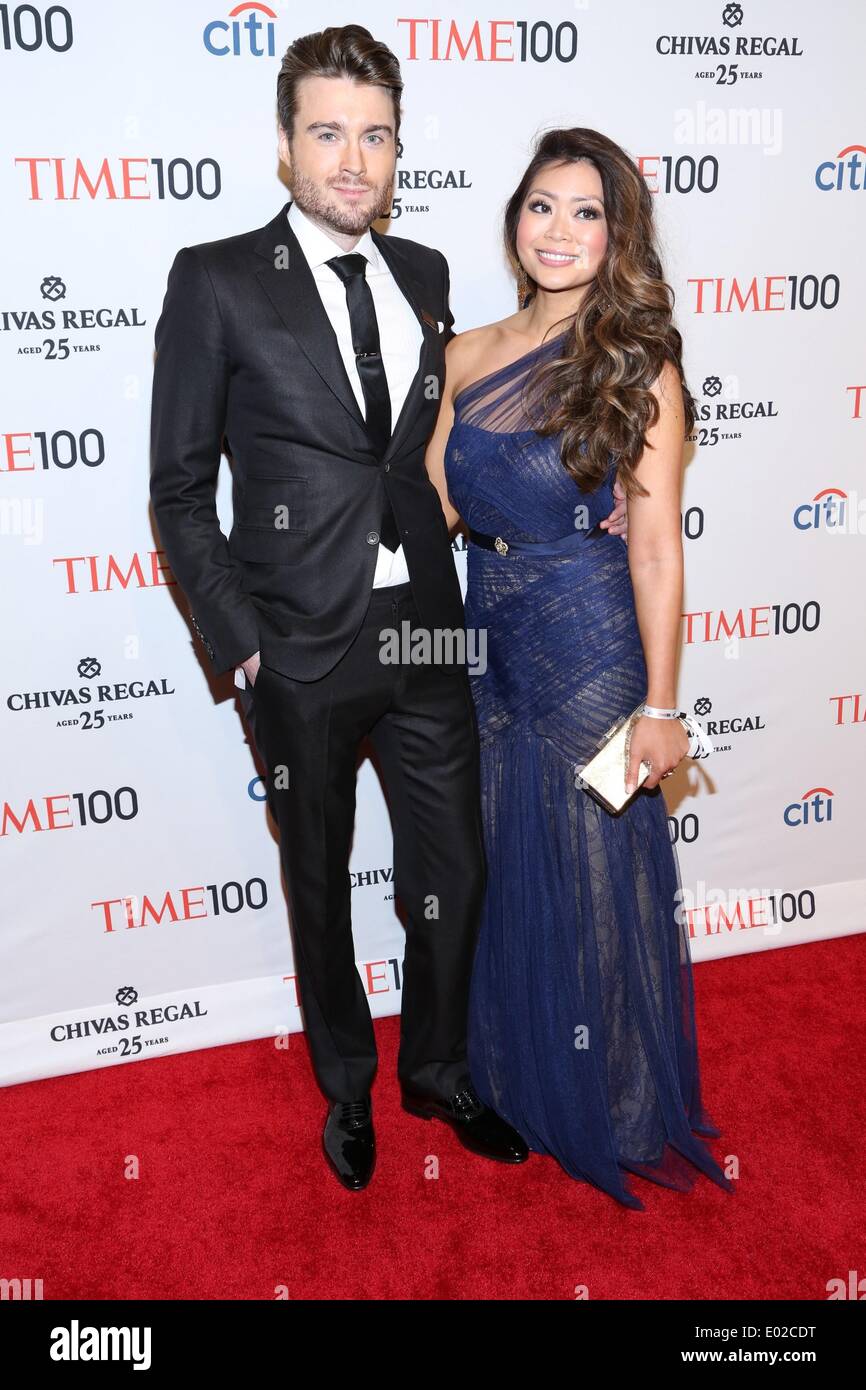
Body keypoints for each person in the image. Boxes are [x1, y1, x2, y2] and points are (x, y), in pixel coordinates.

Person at [149, 29, 630, 1192]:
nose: (352, 159)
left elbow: (441, 445)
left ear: (396, 147)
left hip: (426, 626)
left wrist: (591, 488)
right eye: (328, 133)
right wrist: (245, 649)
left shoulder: (421, 274)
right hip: (298, 646)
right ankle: (349, 1087)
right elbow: (178, 489)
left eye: (373, 134)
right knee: (319, 880)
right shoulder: (213, 279)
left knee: (452, 870)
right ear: (284, 146)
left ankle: (438, 1069)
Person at [425, 128, 736, 1210]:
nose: (557, 231)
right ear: (513, 219)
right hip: (487, 631)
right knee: (508, 855)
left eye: (584, 212)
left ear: (616, 235)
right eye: (540, 207)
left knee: (597, 866)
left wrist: (660, 703)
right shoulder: (464, 353)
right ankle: (518, 1073)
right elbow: (430, 514)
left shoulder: (635, 361)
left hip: (590, 635)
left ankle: (612, 1096)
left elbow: (653, 543)